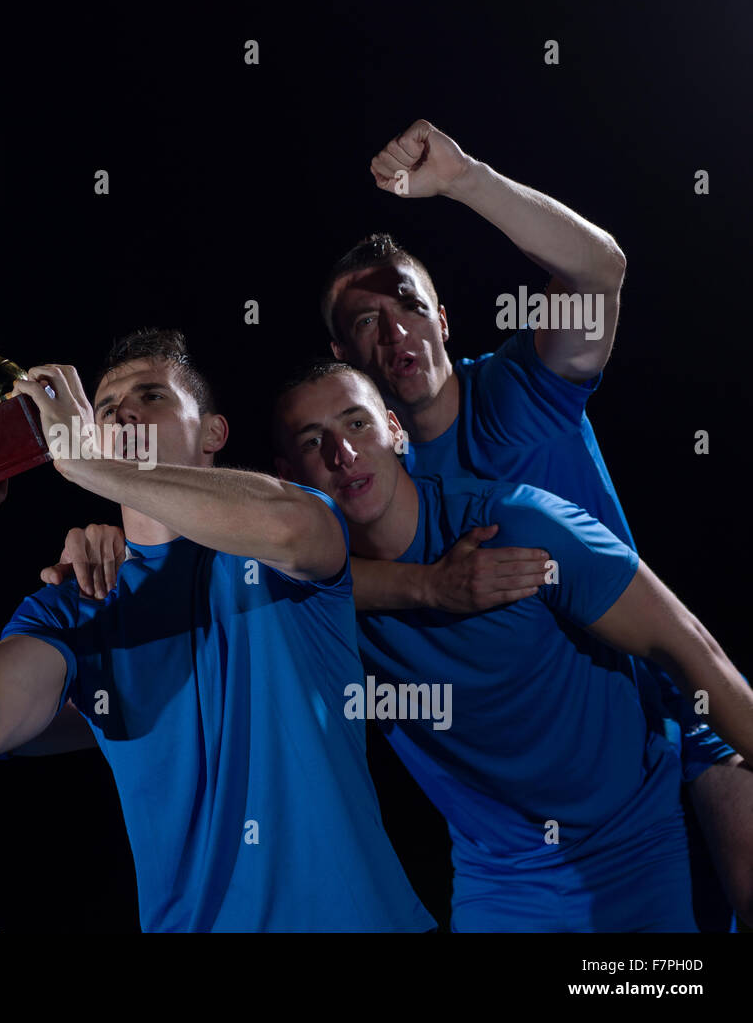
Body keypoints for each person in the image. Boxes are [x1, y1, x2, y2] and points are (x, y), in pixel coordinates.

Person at [316, 120, 749, 929]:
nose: (394, 329)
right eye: (364, 323)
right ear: (342, 356)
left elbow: (600, 267)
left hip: (668, 695)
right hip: (541, 806)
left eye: (406, 303)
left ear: (443, 319)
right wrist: (422, 585)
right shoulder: (362, 484)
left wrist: (466, 178)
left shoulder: (516, 388)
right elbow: (290, 567)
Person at [0, 329, 434, 932]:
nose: (124, 412)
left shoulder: (285, 529)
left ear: (213, 432)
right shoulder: (74, 604)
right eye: (105, 409)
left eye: (153, 396)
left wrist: (88, 464)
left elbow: (291, 529)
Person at [271, 361, 753, 931]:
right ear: (286, 476)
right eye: (312, 441)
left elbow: (690, 649)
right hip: (498, 878)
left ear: (396, 431)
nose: (342, 454)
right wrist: (425, 586)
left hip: (630, 845)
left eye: (356, 424)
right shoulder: (305, 598)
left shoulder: (515, 524)